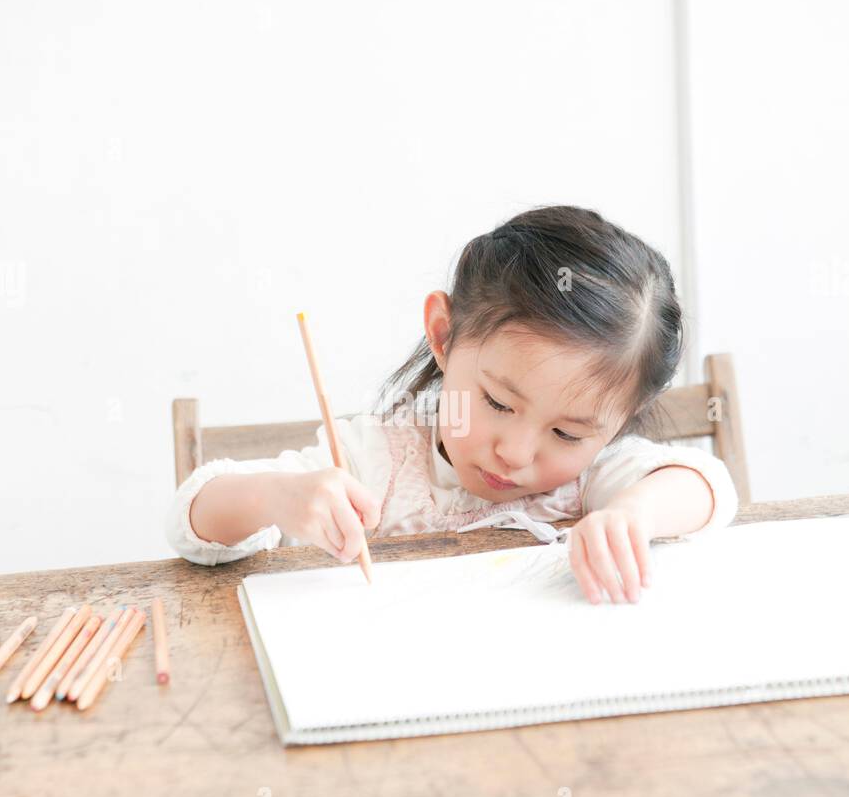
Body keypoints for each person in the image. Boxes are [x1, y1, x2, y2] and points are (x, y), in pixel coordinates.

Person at [164, 206, 738, 604]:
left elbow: (710, 485)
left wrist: (635, 513)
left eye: (566, 434)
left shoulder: (595, 478)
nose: (514, 453)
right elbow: (191, 522)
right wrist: (275, 497)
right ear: (444, 334)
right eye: (495, 401)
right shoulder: (372, 459)